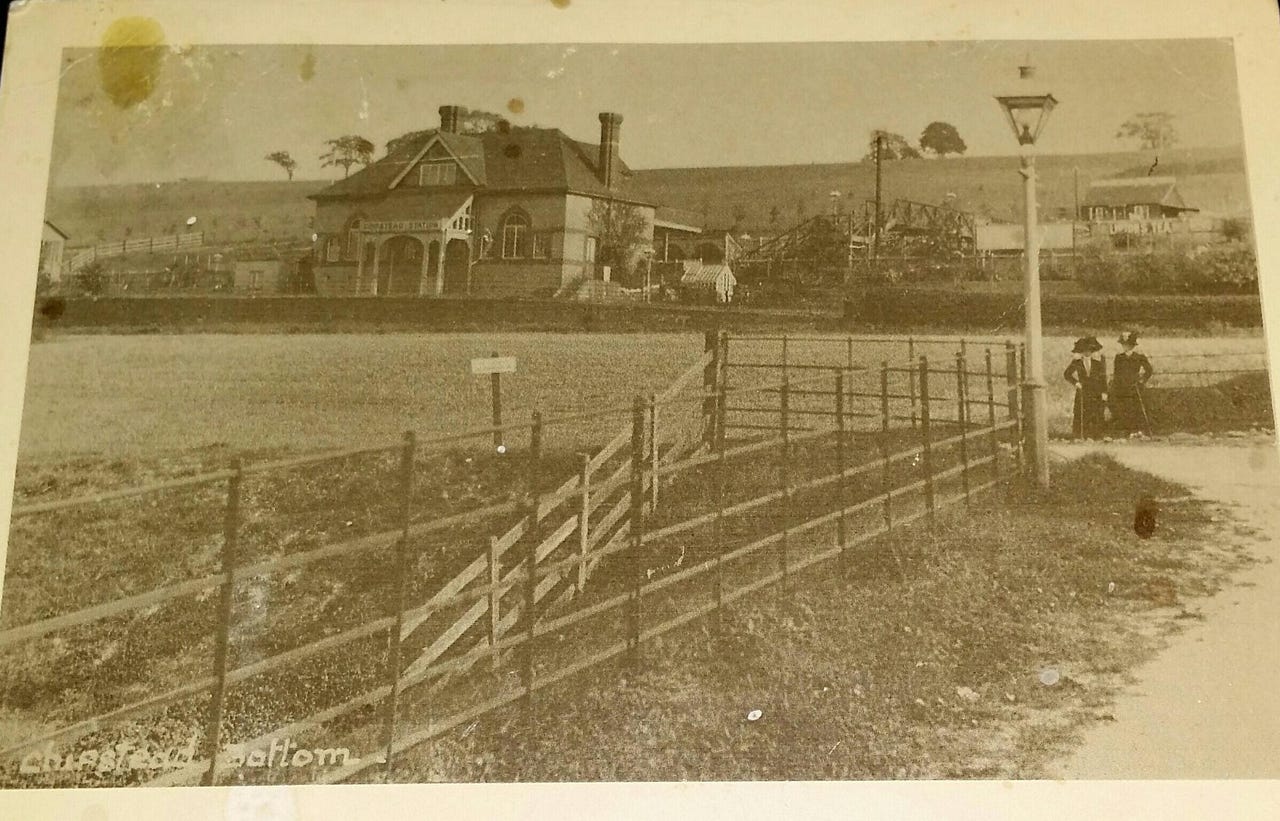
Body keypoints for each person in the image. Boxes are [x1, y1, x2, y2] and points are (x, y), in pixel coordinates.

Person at [1110, 331, 1154, 436]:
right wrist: (1115, 385)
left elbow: (1149, 370)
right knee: (1124, 408)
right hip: (1122, 387)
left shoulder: (1139, 357)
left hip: (1135, 387)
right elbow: (1117, 373)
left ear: (1132, 345)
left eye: (1128, 345)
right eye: (1123, 345)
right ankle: (1127, 430)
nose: (1125, 347)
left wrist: (1142, 380)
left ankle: (1139, 430)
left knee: (1137, 408)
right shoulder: (1119, 357)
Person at [1063, 336, 1108, 440]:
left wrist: (1104, 392)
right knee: (1081, 412)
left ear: (1092, 351)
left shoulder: (1098, 363)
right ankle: (1080, 434)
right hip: (1083, 391)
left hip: (1095, 391)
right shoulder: (1077, 362)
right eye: (1084, 350)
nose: (1087, 352)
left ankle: (1097, 435)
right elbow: (1066, 374)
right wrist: (1076, 383)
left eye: (1089, 350)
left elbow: (1103, 378)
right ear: (1081, 351)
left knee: (1096, 412)